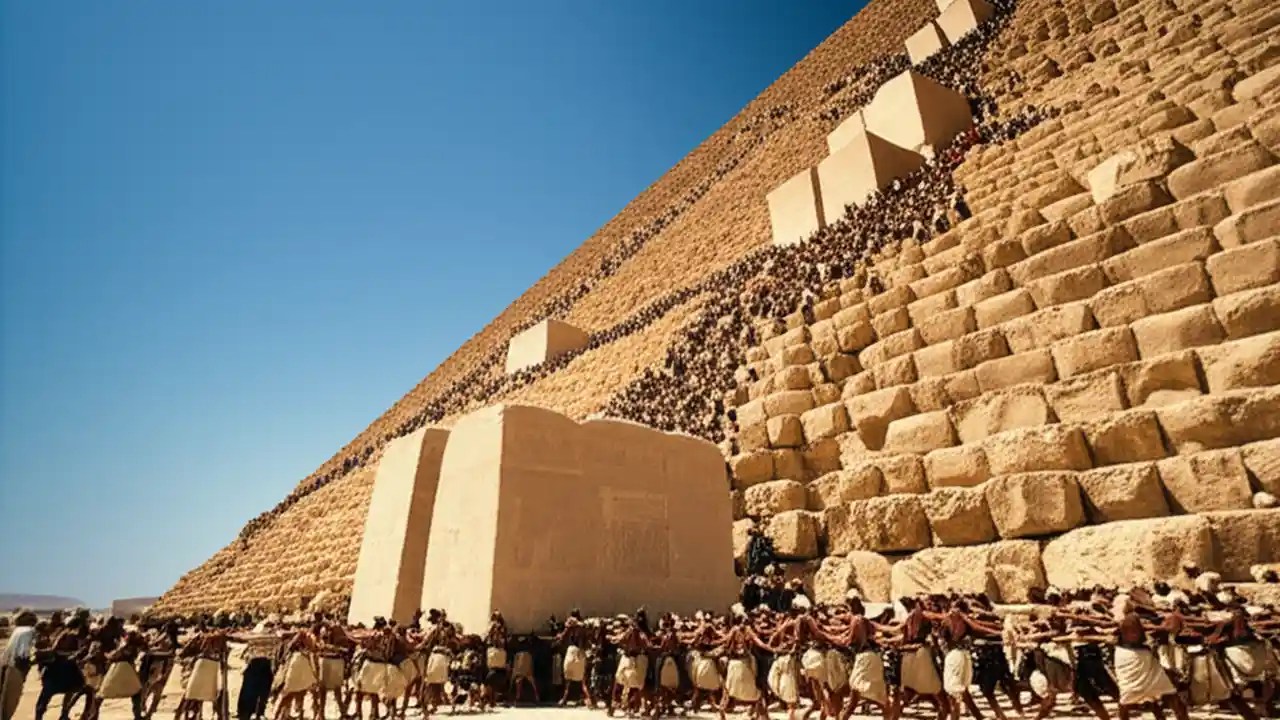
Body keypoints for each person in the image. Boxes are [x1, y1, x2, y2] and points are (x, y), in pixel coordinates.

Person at [1, 610, 37, 720]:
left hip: (4, 664)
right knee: (10, 700)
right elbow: (22, 654)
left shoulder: (17, 630)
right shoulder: (29, 631)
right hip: (15, 669)